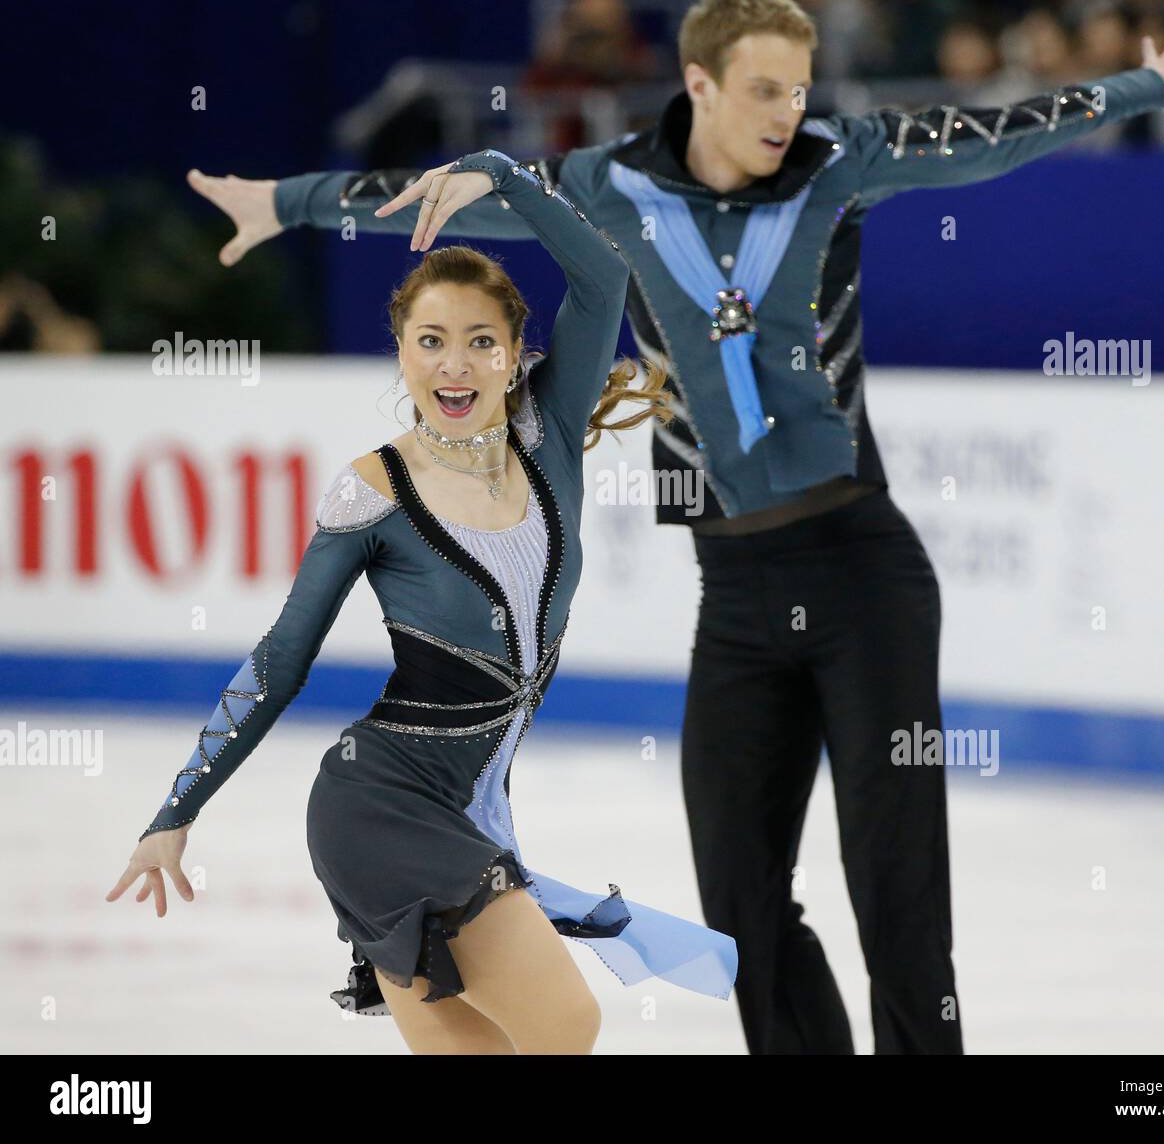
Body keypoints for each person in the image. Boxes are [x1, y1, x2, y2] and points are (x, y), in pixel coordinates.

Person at [185, 0, 1164, 1055]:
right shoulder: (604, 185)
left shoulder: (840, 161)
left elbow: (993, 138)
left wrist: (1148, 86)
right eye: (766, 88)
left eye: (801, 87)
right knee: (740, 899)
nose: (790, 110)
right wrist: (292, 200)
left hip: (863, 575)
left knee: (897, 893)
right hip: (733, 598)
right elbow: (436, 199)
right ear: (700, 85)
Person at [105, 147, 738, 1056]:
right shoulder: (374, 493)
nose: (455, 364)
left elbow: (605, 275)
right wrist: (176, 811)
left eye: (482, 340)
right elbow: (280, 660)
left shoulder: (549, 439)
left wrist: (501, 173)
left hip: (468, 810)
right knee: (566, 1023)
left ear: (517, 354)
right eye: (430, 340)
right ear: (400, 353)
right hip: (377, 805)